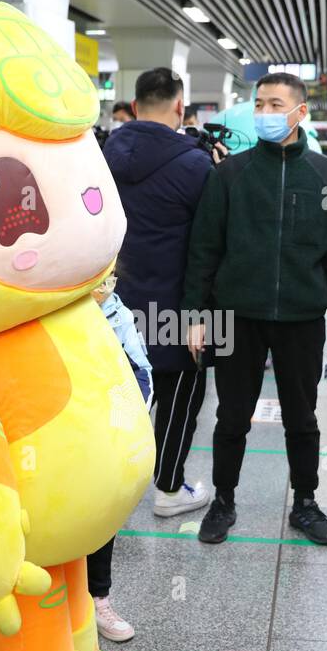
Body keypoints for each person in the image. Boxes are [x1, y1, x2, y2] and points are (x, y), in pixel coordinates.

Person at [184, 71, 327, 546]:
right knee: (231, 416)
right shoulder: (230, 175)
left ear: (301, 112)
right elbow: (205, 250)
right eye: (259, 103)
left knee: (302, 417)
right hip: (238, 315)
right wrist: (196, 316)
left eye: (275, 104)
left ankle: (305, 501)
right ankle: (223, 499)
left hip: (303, 318)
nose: (265, 113)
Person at [103, 66, 215, 519]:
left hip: (110, 306)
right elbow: (207, 244)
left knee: (114, 397)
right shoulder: (195, 165)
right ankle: (168, 487)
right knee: (180, 395)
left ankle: (105, 494)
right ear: (178, 107)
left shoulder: (105, 152)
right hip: (175, 305)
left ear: (133, 107)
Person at [85, 270, 151, 643]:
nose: (103, 284)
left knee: (100, 520)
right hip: (52, 438)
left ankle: (99, 600)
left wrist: (121, 420)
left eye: (109, 276)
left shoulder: (117, 315)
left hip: (102, 438)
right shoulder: (47, 310)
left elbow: (142, 375)